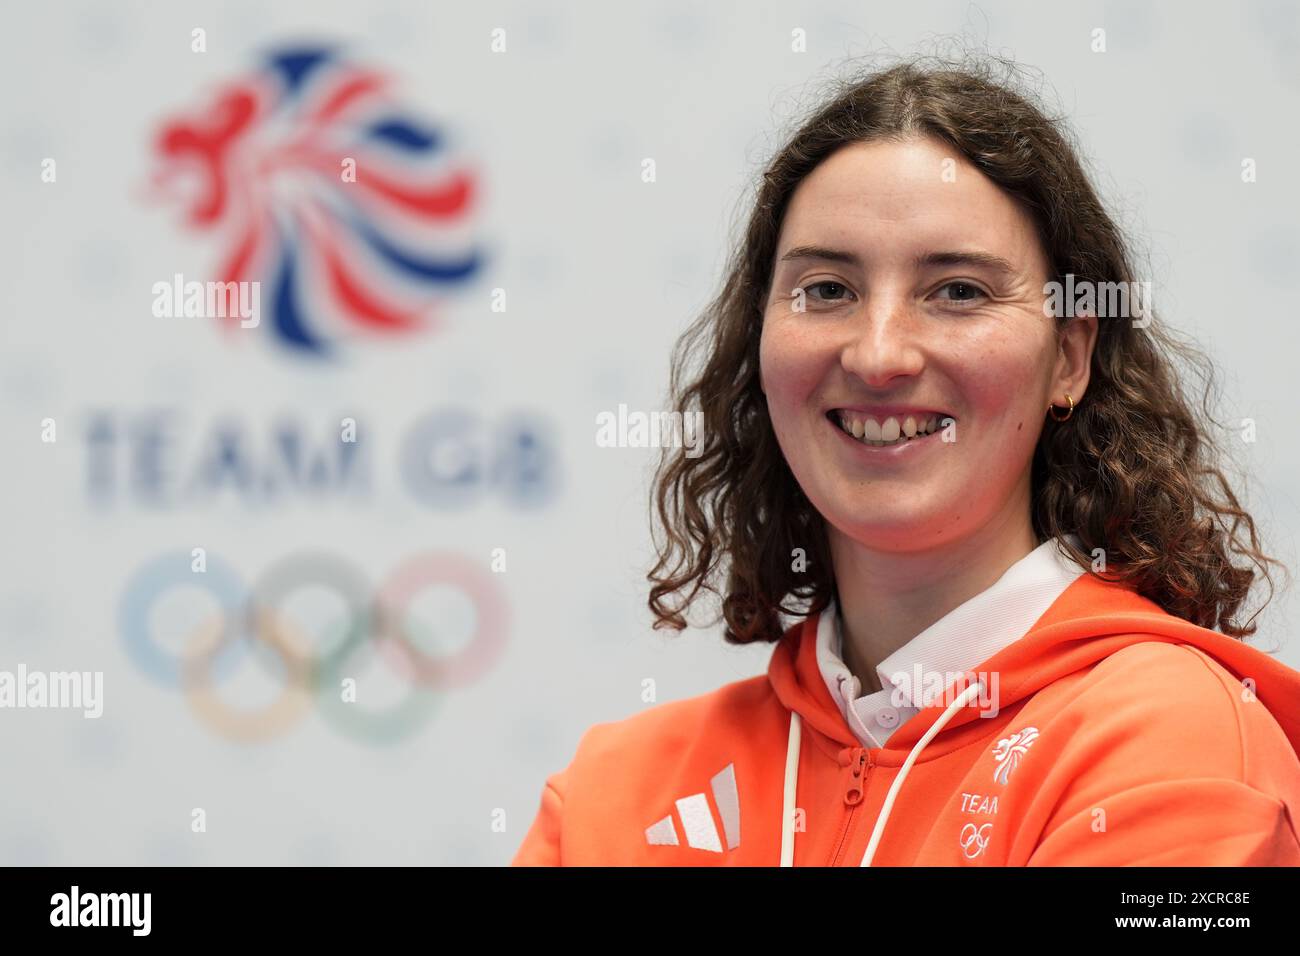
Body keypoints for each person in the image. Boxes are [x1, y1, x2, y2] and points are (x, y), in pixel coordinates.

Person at [512, 56, 1300, 866]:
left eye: (957, 291)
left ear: (1069, 356)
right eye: (825, 289)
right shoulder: (613, 798)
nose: (879, 354)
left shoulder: (1176, 746)